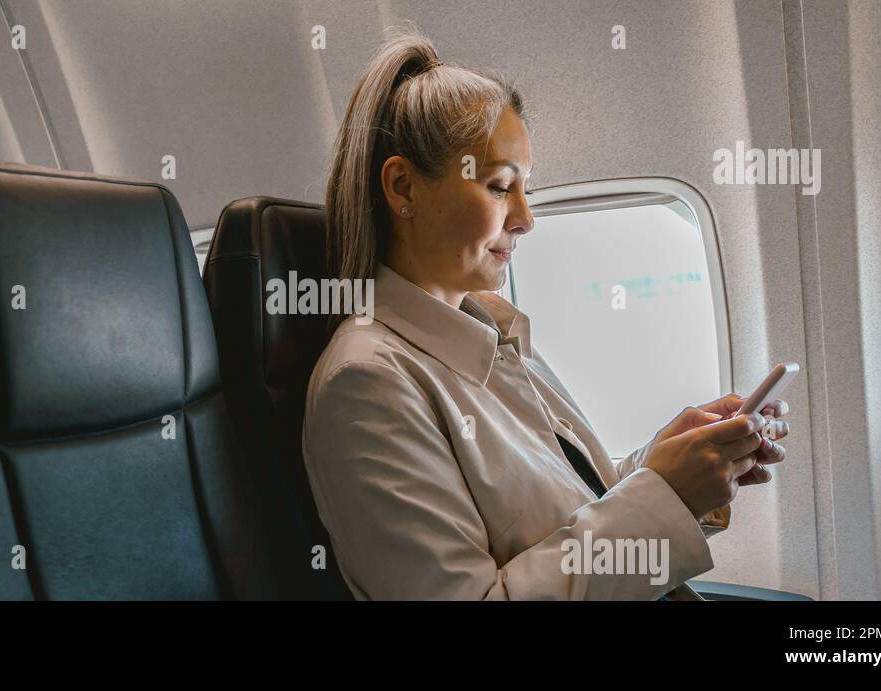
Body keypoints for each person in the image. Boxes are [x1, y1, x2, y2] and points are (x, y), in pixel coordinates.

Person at [302, 24, 790, 600]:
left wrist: (673, 462)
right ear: (403, 187)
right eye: (499, 186)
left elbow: (567, 509)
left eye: (525, 188)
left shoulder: (489, 332)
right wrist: (666, 494)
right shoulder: (366, 384)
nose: (526, 218)